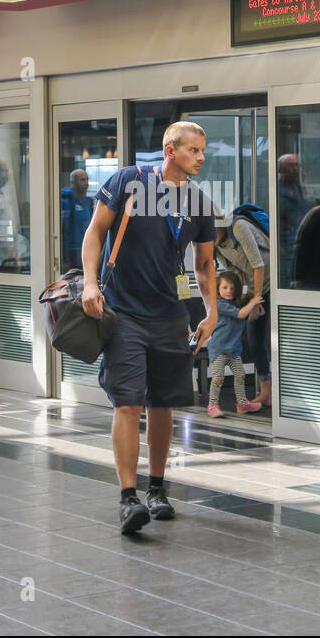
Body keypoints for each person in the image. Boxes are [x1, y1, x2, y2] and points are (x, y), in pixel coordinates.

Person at [81, 120, 217, 534]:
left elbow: (205, 264)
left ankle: (157, 489)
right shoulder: (129, 181)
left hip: (171, 316)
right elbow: (95, 232)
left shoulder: (199, 202)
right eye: (194, 150)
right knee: (128, 403)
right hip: (123, 313)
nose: (201, 158)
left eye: (203, 151)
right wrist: (89, 282)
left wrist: (210, 312)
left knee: (163, 404)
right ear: (170, 150)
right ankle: (128, 498)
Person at [213, 208, 272, 409]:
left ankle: (272, 393)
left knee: (267, 338)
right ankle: (267, 392)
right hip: (257, 287)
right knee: (255, 340)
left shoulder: (238, 227)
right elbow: (234, 271)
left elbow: (258, 264)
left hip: (273, 282)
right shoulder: (215, 246)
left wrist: (256, 300)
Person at [205, 269, 261, 417]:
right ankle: (212, 405)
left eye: (232, 288)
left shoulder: (236, 304)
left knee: (240, 375)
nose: (228, 291)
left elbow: (250, 315)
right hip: (219, 349)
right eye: (224, 287)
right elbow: (241, 314)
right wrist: (254, 301)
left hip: (234, 350)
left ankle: (242, 404)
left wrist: (254, 305)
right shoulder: (219, 304)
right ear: (217, 288)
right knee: (218, 378)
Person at [277, 153, 309, 287]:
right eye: (291, 165)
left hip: (299, 242)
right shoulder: (275, 189)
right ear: (281, 169)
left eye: (297, 165)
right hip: (284, 245)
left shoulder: (297, 188)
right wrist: (278, 244)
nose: (295, 169)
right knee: (286, 280)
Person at [60, 169, 93, 270]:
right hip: (72, 252)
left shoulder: (88, 201)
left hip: (86, 249)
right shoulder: (65, 201)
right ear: (73, 182)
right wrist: (64, 259)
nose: (86, 183)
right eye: (82, 180)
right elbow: (63, 231)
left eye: (87, 179)